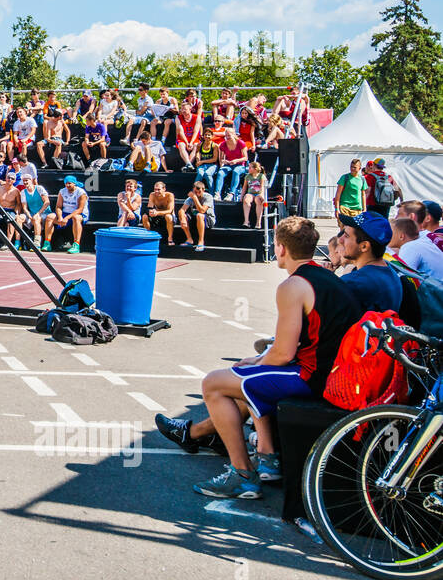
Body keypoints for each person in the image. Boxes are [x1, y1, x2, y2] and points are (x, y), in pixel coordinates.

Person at [156, 216, 361, 498]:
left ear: (280, 248)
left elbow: (283, 353)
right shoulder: (326, 276)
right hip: (334, 371)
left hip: (314, 377)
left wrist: (254, 364)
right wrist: (253, 365)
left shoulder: (292, 286)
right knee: (243, 377)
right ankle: (267, 457)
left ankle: (242, 474)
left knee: (214, 383)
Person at [334, 212, 402, 314]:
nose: (340, 240)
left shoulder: (354, 283)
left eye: (347, 236)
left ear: (364, 246)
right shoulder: (390, 271)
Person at [42, 175, 88, 253]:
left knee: (76, 218)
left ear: (74, 183)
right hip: (65, 213)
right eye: (66, 183)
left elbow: (80, 209)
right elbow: (58, 206)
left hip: (79, 214)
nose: (67, 185)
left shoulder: (81, 193)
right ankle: (47, 243)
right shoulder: (62, 191)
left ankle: (76, 245)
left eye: (69, 183)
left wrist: (66, 218)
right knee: (50, 217)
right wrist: (60, 217)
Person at [178, 180, 215, 252]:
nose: (197, 194)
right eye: (195, 192)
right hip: (196, 220)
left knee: (200, 215)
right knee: (182, 215)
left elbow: (202, 211)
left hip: (208, 220)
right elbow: (181, 210)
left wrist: (195, 198)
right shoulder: (190, 198)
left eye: (199, 191)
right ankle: (189, 239)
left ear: (203, 190)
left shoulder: (208, 197)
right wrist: (182, 219)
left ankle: (201, 242)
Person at [240, 161, 267, 229]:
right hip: (251, 193)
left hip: (258, 193)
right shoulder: (248, 176)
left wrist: (261, 194)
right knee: (246, 200)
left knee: (259, 201)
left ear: (255, 169)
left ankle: (258, 222)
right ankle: (246, 221)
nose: (248, 169)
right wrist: (241, 196)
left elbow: (262, 186)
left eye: (250, 168)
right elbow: (244, 187)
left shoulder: (261, 176)